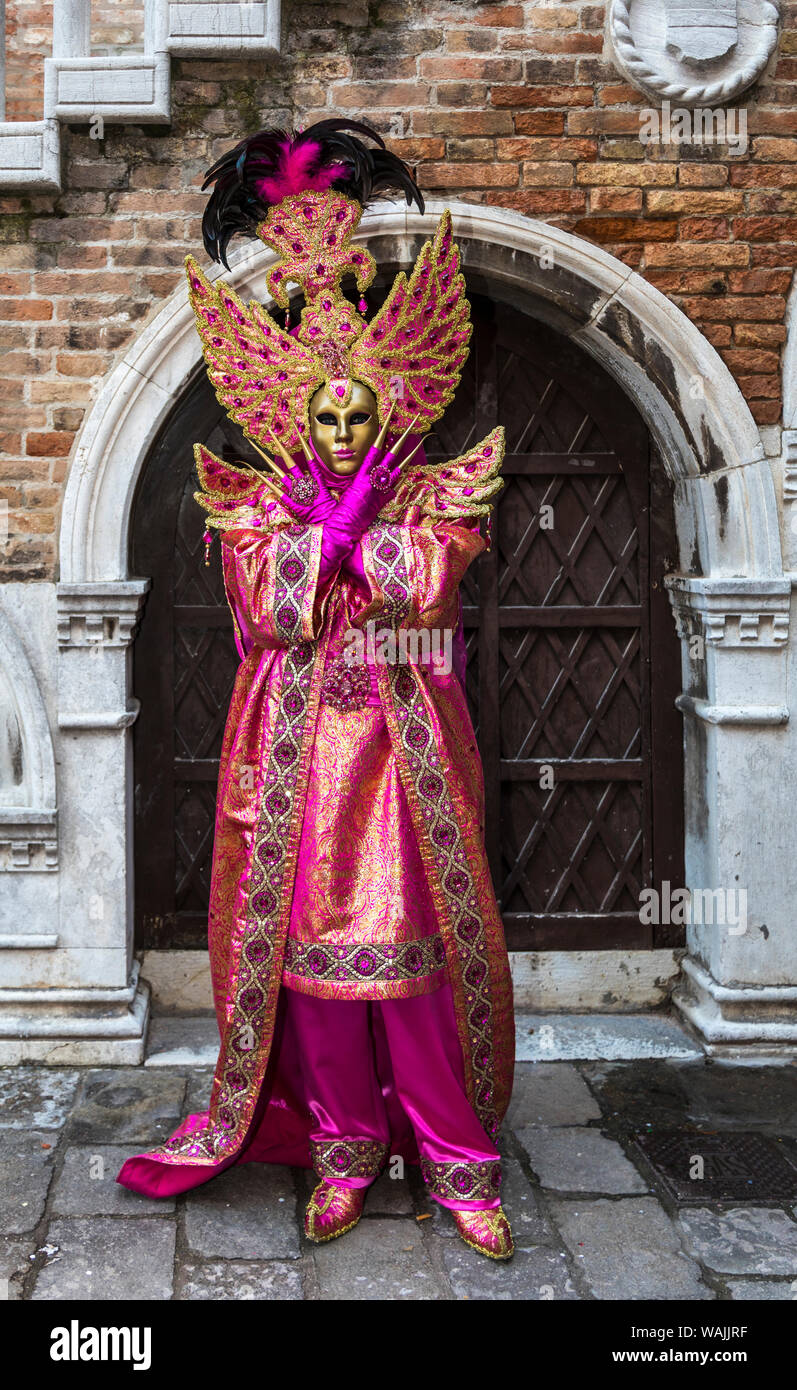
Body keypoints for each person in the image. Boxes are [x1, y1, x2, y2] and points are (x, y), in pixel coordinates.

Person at [117, 119, 516, 1260]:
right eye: (321, 410)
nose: (341, 425)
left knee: (411, 953)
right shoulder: (257, 504)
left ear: (392, 406)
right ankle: (342, 1146)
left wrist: (365, 538)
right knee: (311, 963)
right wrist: (318, 538)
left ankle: (455, 1157)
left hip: (402, 739)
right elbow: (266, 613)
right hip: (290, 747)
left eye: (359, 409)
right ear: (292, 410)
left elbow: (426, 595)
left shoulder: (429, 492)